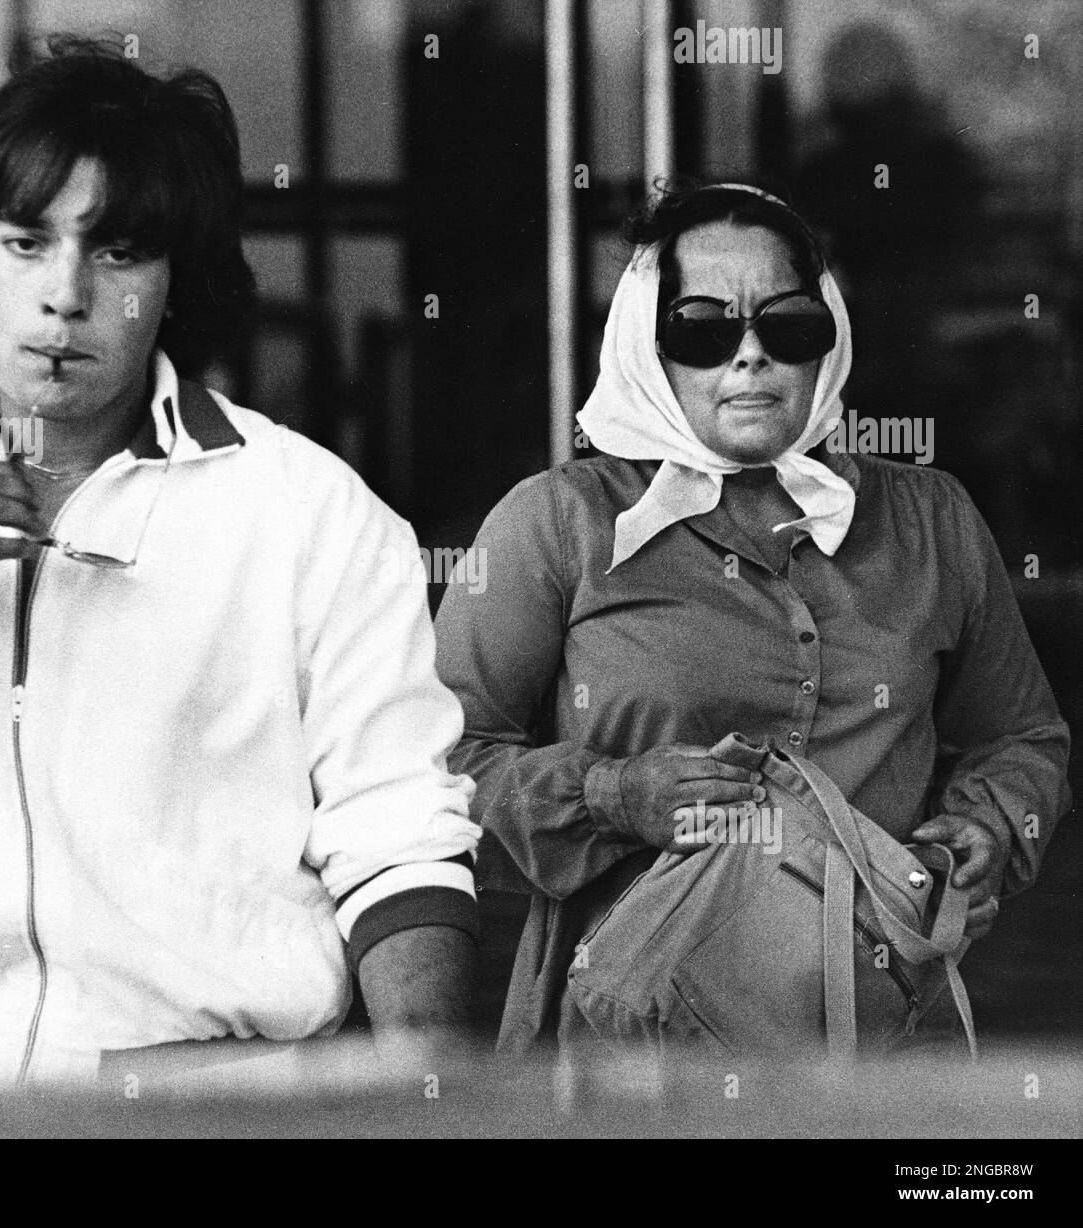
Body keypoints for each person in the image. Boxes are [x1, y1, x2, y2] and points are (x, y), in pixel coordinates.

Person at [0, 38, 480, 1092]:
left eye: (115, 253)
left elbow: (399, 840)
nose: (62, 295)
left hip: (217, 1101)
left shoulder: (309, 512)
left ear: (172, 282)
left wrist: (430, 1096)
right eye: (24, 242)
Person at [433, 180, 1070, 1052]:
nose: (750, 358)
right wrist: (614, 795)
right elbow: (432, 770)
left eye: (788, 325)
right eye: (702, 329)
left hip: (879, 1036)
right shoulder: (559, 523)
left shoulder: (930, 519)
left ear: (827, 341)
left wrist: (989, 824)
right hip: (630, 1046)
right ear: (646, 348)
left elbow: (1023, 738)